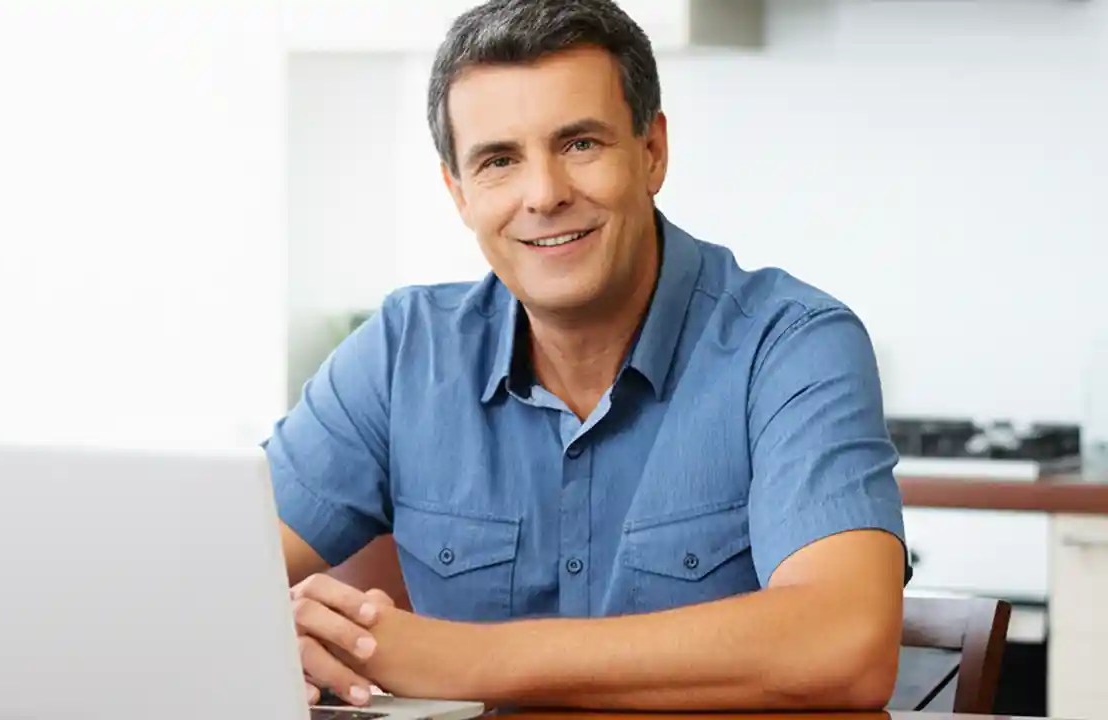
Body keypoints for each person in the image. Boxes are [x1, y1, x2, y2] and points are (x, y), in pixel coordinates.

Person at [265, 0, 908, 711]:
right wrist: (282, 640)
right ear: (459, 193)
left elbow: (845, 644)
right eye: (499, 160)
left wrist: (453, 657)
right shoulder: (401, 353)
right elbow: (204, 569)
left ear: (652, 152)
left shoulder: (790, 344)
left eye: (580, 145)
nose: (544, 195)